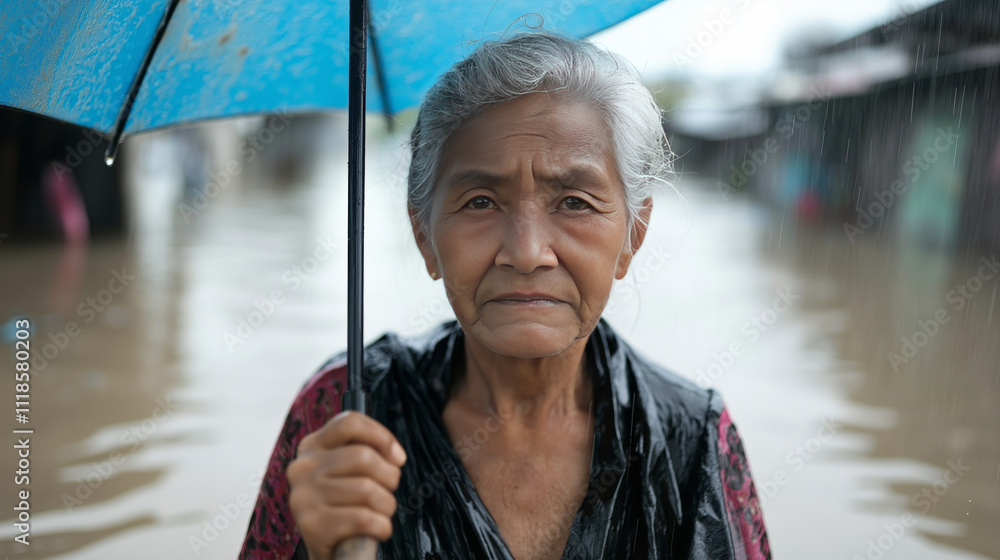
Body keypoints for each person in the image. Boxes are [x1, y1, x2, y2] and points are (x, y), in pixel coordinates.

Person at [239, 31, 771, 560]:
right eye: (480, 202)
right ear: (425, 236)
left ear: (633, 234)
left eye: (575, 202)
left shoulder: (692, 440)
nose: (527, 251)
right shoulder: (343, 416)